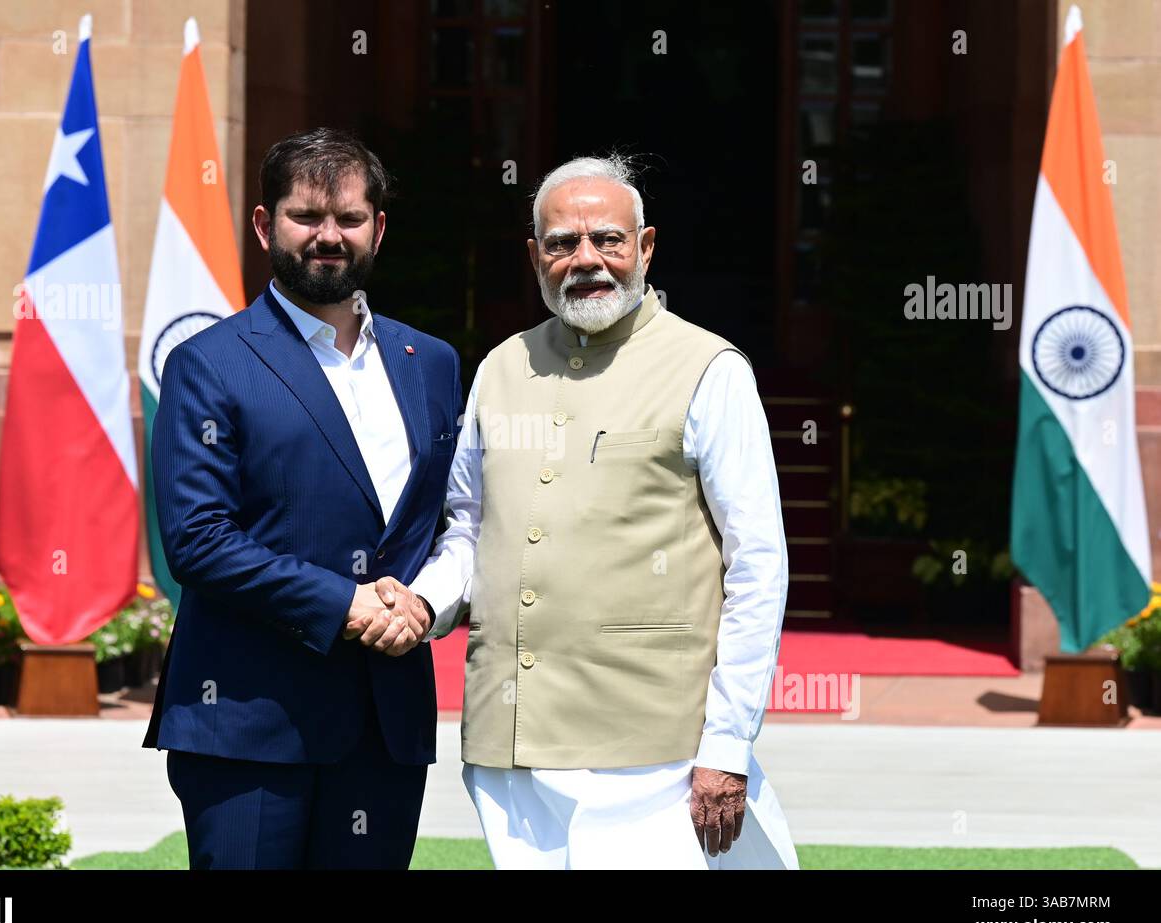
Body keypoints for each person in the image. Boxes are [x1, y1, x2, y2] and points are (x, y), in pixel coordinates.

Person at [374, 154, 799, 869]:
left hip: (657, 752)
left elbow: (758, 565)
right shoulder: (501, 366)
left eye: (608, 239)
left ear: (647, 247)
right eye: (563, 243)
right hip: (510, 739)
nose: (587, 260)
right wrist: (422, 604)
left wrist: (727, 746)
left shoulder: (710, 367)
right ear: (535, 256)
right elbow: (471, 530)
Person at [142, 128, 461, 869]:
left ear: (378, 229)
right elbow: (197, 539)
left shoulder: (433, 363)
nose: (328, 237)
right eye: (305, 217)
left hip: (386, 726)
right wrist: (344, 604)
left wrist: (424, 603)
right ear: (264, 226)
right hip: (249, 724)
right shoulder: (207, 365)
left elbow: (451, 521)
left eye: (349, 219)